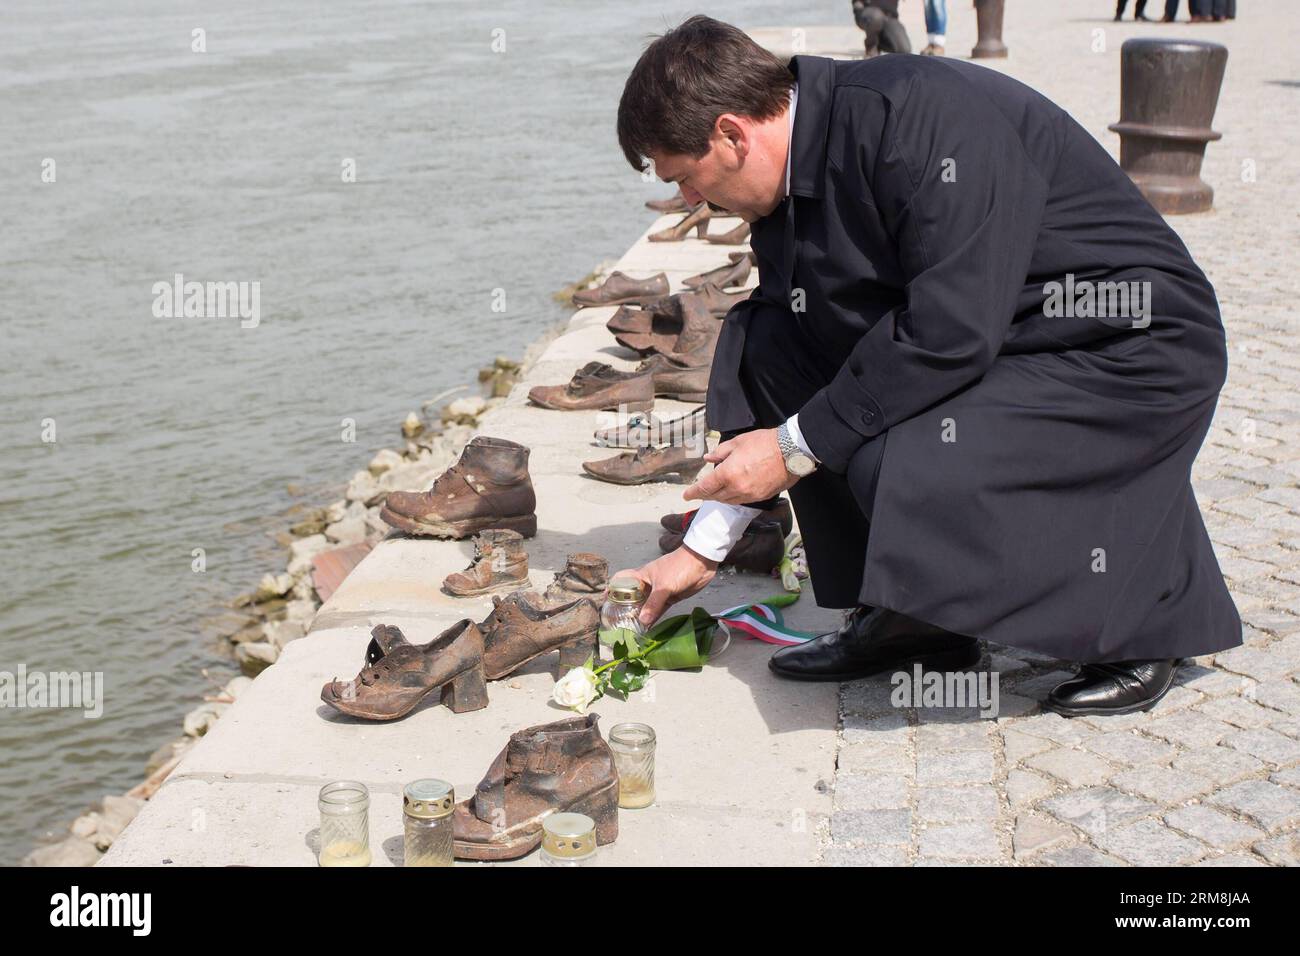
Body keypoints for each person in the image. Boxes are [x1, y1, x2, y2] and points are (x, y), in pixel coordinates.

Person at [614, 16, 1241, 717]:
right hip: (1013, 335)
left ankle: (1139, 621)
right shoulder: (791, 171)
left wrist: (792, 449)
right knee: (770, 340)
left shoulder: (916, 118)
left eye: (687, 180)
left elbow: (950, 328)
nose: (690, 202)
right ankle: (919, 621)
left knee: (897, 456)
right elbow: (810, 343)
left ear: (732, 134)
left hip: (1126, 346)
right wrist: (702, 549)